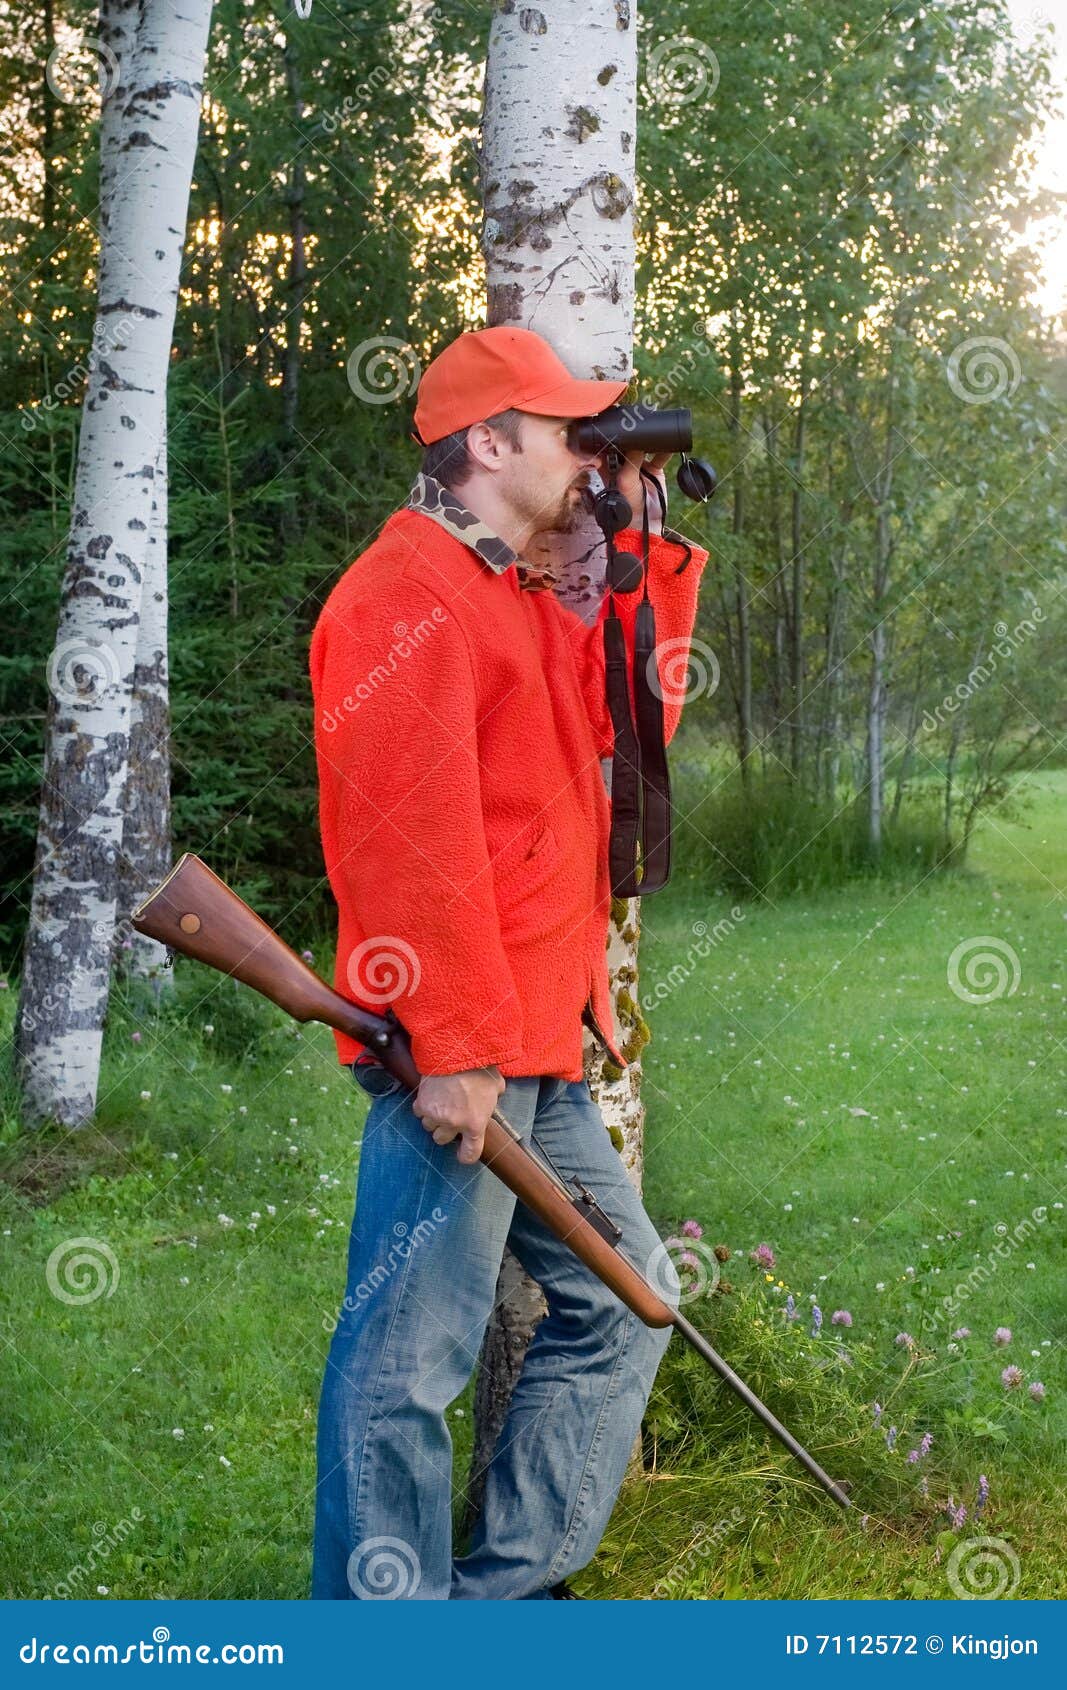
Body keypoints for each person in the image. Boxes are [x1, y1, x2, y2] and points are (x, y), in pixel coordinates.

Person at [308, 325, 709, 1600]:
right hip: (466, 1051)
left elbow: (626, 724)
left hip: (540, 1041)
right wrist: (459, 1050)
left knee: (629, 1297)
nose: (589, 452)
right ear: (488, 443)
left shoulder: (511, 591)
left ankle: (495, 1604)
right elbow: (404, 846)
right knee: (405, 1368)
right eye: (567, 431)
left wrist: (638, 541)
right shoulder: (400, 598)